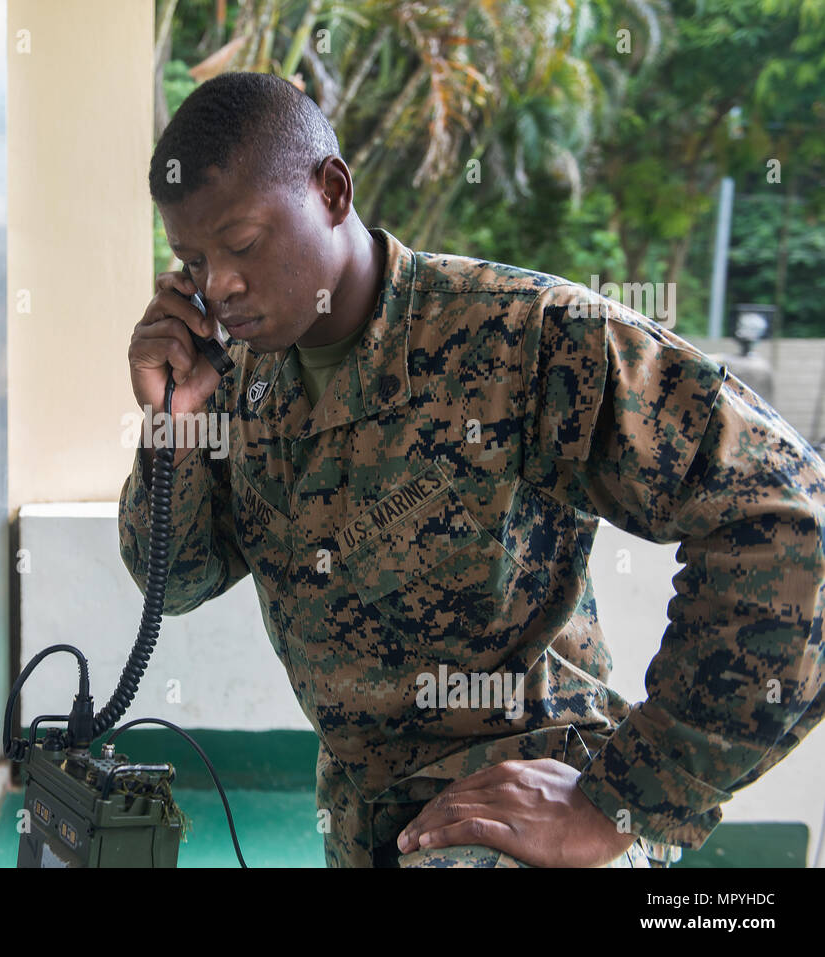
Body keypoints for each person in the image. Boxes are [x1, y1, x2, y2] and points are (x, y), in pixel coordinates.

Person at [118, 71, 825, 868]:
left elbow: (791, 518)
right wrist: (172, 429)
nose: (219, 286)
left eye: (242, 244)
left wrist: (626, 799)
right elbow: (172, 583)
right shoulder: (242, 380)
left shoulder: (521, 335)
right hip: (366, 825)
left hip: (530, 810)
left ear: (333, 192)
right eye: (191, 260)